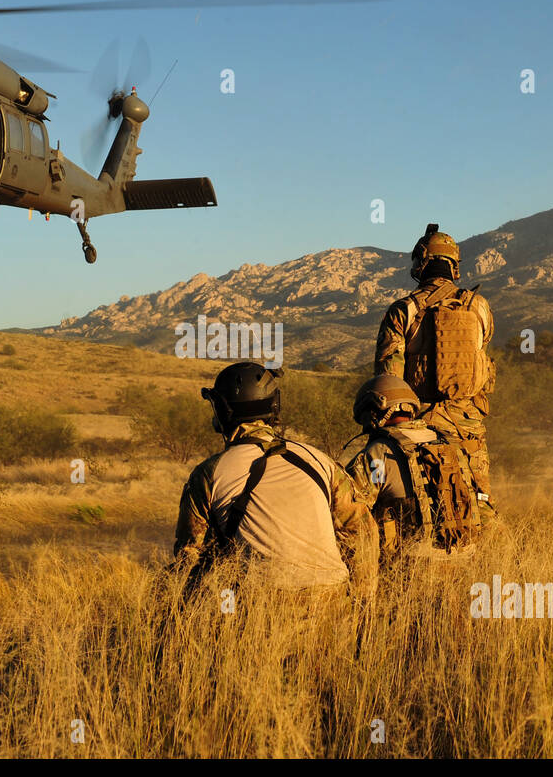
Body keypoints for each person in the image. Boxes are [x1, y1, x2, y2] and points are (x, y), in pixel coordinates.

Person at [173, 362, 378, 597]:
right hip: (331, 600)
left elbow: (189, 557)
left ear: (222, 410)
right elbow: (362, 533)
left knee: (220, 604)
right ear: (274, 406)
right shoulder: (319, 460)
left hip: (257, 604)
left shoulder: (210, 473)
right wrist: (363, 600)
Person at [374, 223, 496, 527]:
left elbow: (388, 380)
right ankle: (493, 562)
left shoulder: (404, 310)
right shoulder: (478, 306)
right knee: (479, 504)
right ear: (453, 266)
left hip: (419, 427)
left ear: (421, 264)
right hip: (469, 426)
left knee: (416, 506)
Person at [346, 374, 483, 560]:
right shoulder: (448, 443)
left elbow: (347, 511)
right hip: (465, 555)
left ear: (373, 411)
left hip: (411, 562)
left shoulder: (378, 452)